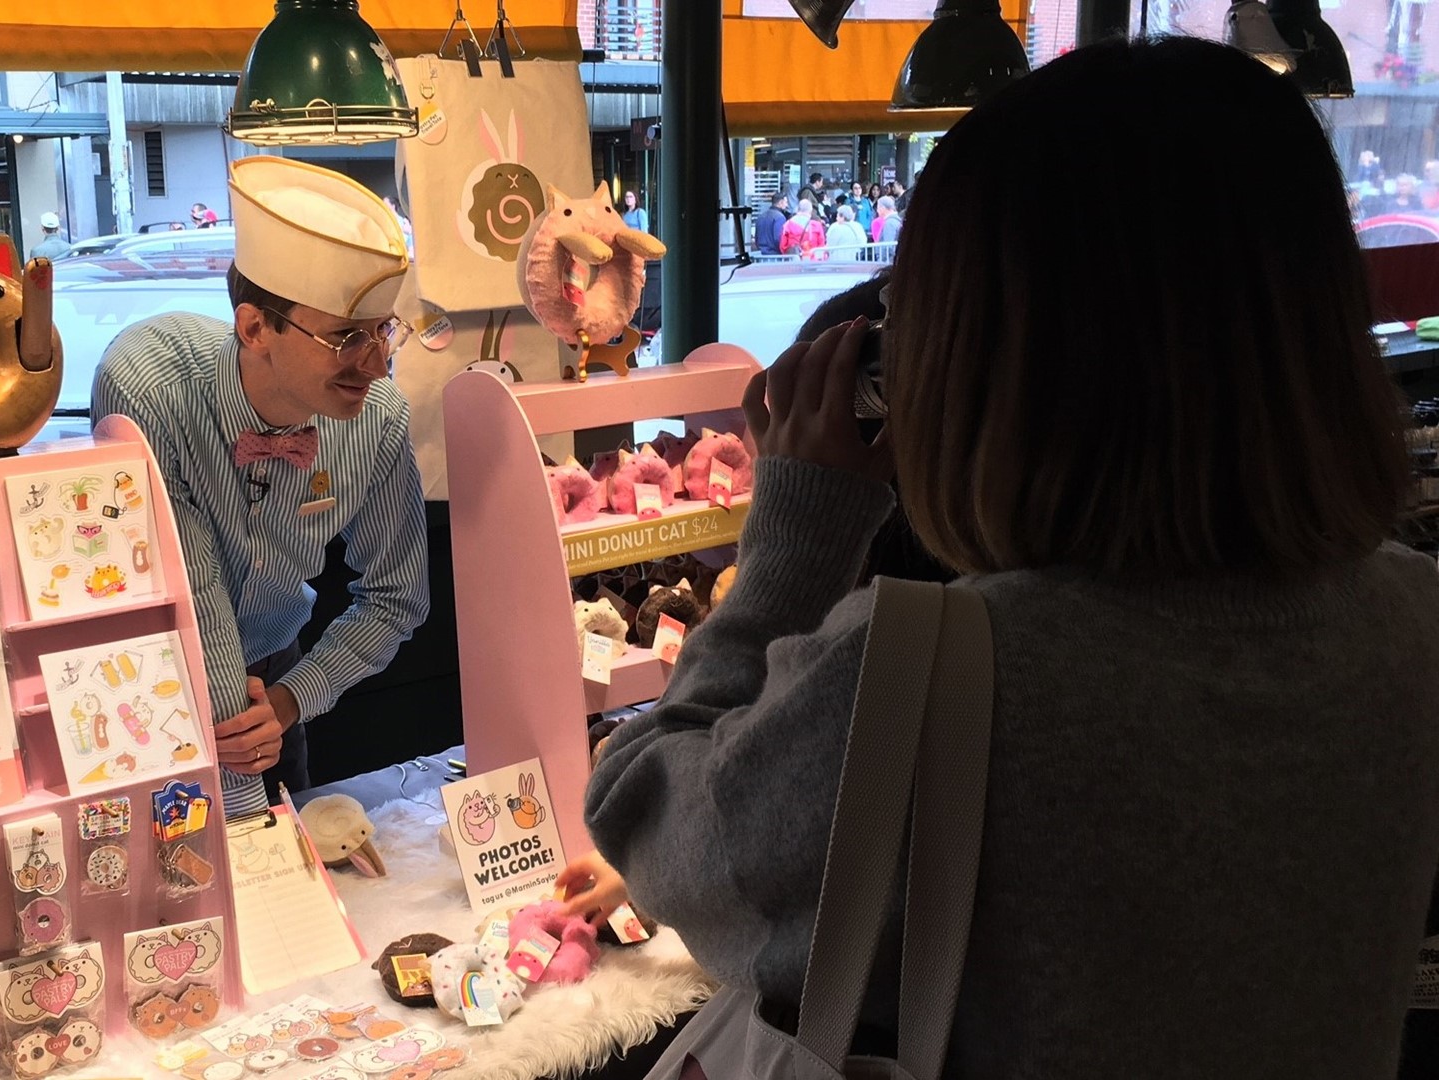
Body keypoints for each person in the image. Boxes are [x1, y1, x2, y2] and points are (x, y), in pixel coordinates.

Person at [586, 36, 1439, 1079]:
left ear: (987, 354)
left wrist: (795, 538)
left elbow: (643, 812)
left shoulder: (928, 675)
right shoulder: (1414, 620)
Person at [92, 158, 430, 817]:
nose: (379, 362)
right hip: (143, 688)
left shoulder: (379, 421)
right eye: (347, 337)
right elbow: (196, 601)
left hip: (271, 682)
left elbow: (396, 597)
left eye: (385, 331)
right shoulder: (152, 388)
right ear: (254, 328)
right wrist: (249, 826)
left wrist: (286, 701)